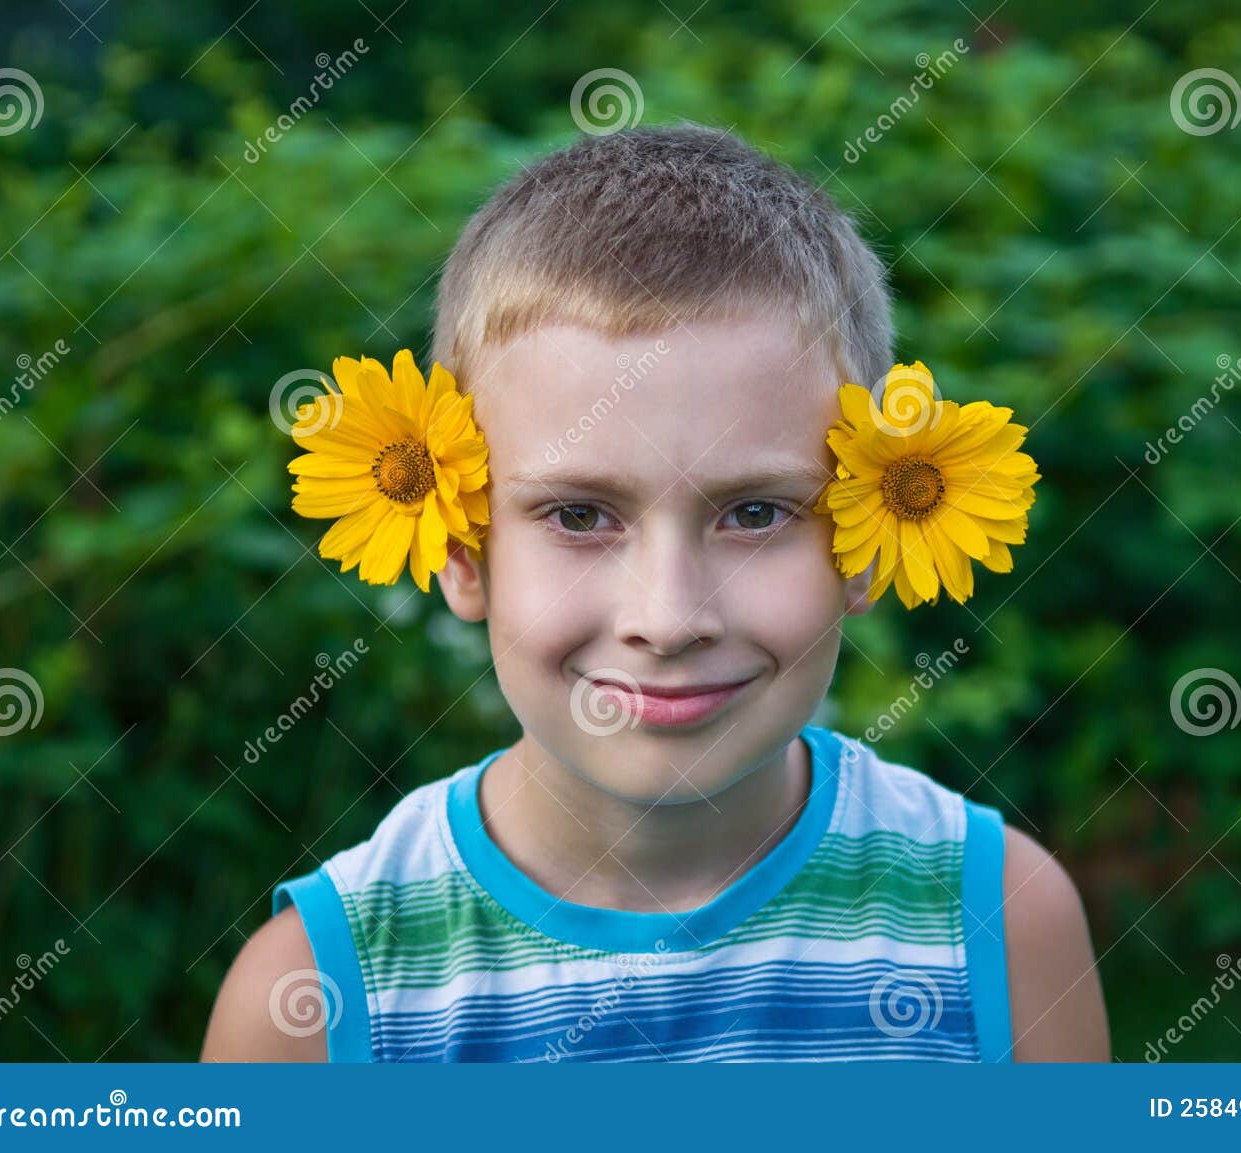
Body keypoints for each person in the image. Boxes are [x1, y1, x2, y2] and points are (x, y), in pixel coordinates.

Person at [201, 122, 1109, 1062]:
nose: (669, 619)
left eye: (755, 513)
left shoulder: (1000, 924)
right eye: (579, 515)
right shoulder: (314, 1001)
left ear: (870, 541)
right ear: (463, 551)